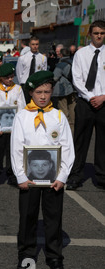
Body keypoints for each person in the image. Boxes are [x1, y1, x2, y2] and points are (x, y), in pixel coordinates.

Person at [10, 70, 75, 269]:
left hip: (52, 178)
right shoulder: (22, 116)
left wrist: (62, 176)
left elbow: (67, 148)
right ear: (31, 92)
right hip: (29, 178)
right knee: (27, 217)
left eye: (47, 91)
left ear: (52, 92)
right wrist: (20, 176)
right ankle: (26, 254)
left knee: (53, 217)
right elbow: (17, 147)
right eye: (39, 92)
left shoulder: (58, 116)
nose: (43, 96)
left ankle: (54, 255)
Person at [67, 20, 105, 191]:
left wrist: (103, 97)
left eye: (102, 33)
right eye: (96, 33)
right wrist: (91, 97)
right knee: (80, 141)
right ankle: (76, 175)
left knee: (103, 142)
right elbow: (77, 79)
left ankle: (102, 177)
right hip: (85, 102)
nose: (99, 36)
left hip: (104, 102)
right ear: (90, 34)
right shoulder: (81, 54)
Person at [0, 63, 26, 188]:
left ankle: (13, 175)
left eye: (12, 77)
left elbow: (22, 108)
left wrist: (18, 127)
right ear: (1, 78)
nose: (10, 80)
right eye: (7, 77)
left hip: (13, 128)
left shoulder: (17, 89)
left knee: (13, 152)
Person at [16, 36, 47, 103]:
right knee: (26, 104)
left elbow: (44, 72)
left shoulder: (43, 58)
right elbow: (19, 73)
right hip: (25, 84)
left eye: (36, 44)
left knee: (37, 103)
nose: (35, 46)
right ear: (29, 45)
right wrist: (22, 84)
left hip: (37, 84)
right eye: (33, 44)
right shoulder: (22, 58)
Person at [51, 48, 76, 134]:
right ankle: (73, 130)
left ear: (61, 55)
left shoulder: (60, 64)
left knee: (64, 111)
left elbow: (55, 77)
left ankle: (65, 132)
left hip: (62, 91)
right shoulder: (74, 62)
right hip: (73, 90)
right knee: (72, 110)